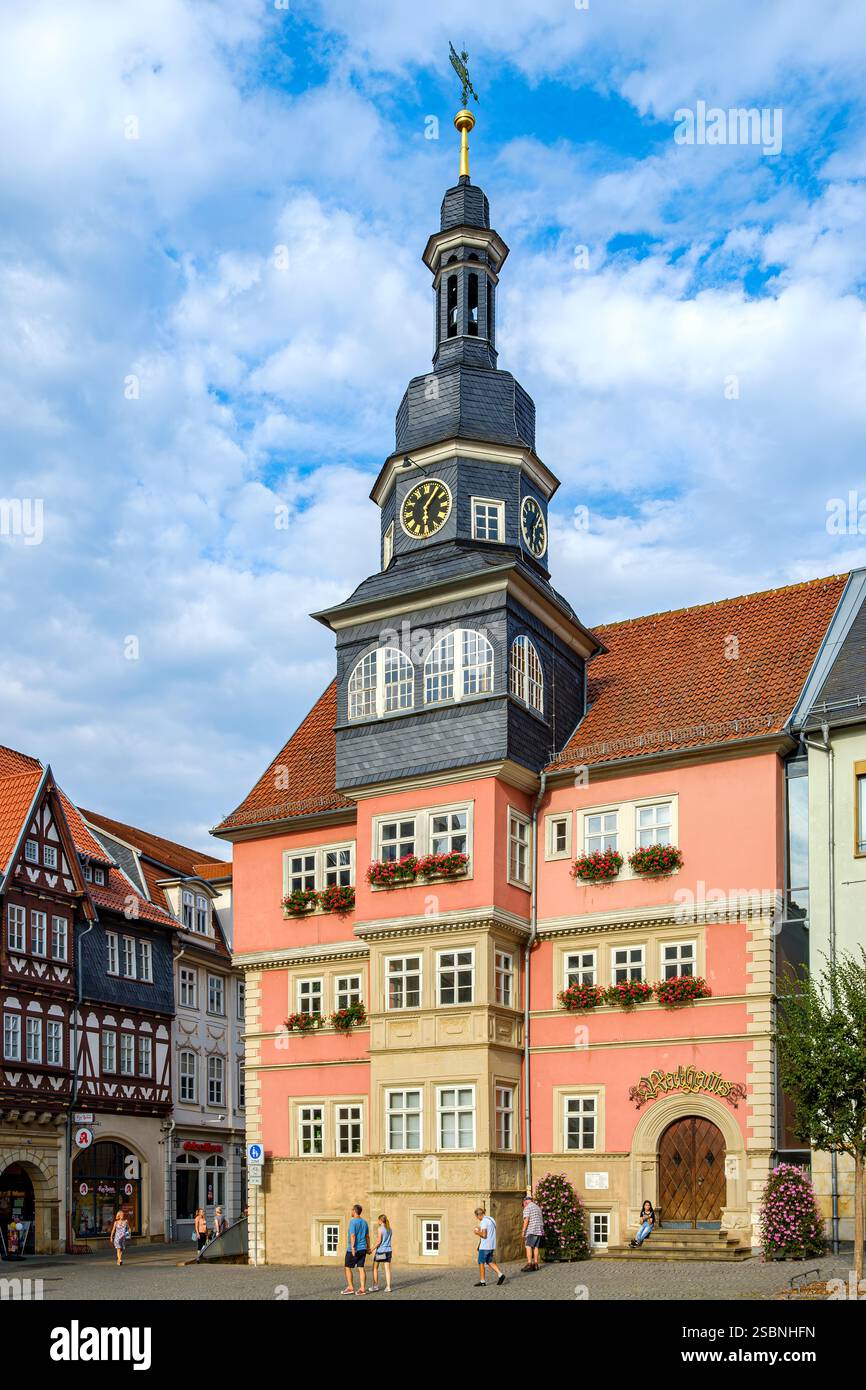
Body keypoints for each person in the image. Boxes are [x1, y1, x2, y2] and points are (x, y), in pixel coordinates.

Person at [473, 1207, 505, 1286]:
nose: (477, 1218)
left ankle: (482, 1281)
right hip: (491, 1245)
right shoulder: (491, 1219)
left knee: (481, 1262)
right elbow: (489, 1229)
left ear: (479, 1215)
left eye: (477, 1217)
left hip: (484, 1246)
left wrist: (477, 1232)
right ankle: (500, 1275)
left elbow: (484, 1235)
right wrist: (479, 1228)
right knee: (489, 1261)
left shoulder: (483, 1221)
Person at [342, 1204, 369, 1296]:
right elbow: (367, 1236)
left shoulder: (353, 1222)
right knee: (361, 1268)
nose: (351, 1212)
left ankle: (350, 1288)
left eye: (351, 1210)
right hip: (363, 1248)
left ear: (354, 1211)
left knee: (347, 1267)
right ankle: (362, 1289)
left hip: (354, 1249)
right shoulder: (365, 1222)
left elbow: (352, 1235)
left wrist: (353, 1248)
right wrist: (368, 1247)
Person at [521, 1193, 544, 1271]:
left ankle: (529, 1264)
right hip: (539, 1230)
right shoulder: (538, 1207)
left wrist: (523, 1231)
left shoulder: (527, 1208)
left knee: (528, 1246)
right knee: (536, 1247)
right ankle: (536, 1264)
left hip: (532, 1230)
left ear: (525, 1202)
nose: (523, 1205)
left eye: (523, 1204)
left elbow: (526, 1220)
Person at [371, 1213, 393, 1292]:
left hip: (381, 1251)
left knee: (374, 1268)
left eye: (378, 1220)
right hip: (389, 1250)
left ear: (380, 1220)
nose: (377, 1222)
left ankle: (375, 1286)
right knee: (387, 1269)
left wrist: (371, 1249)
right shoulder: (389, 1229)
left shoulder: (380, 1229)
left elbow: (378, 1241)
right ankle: (388, 1287)